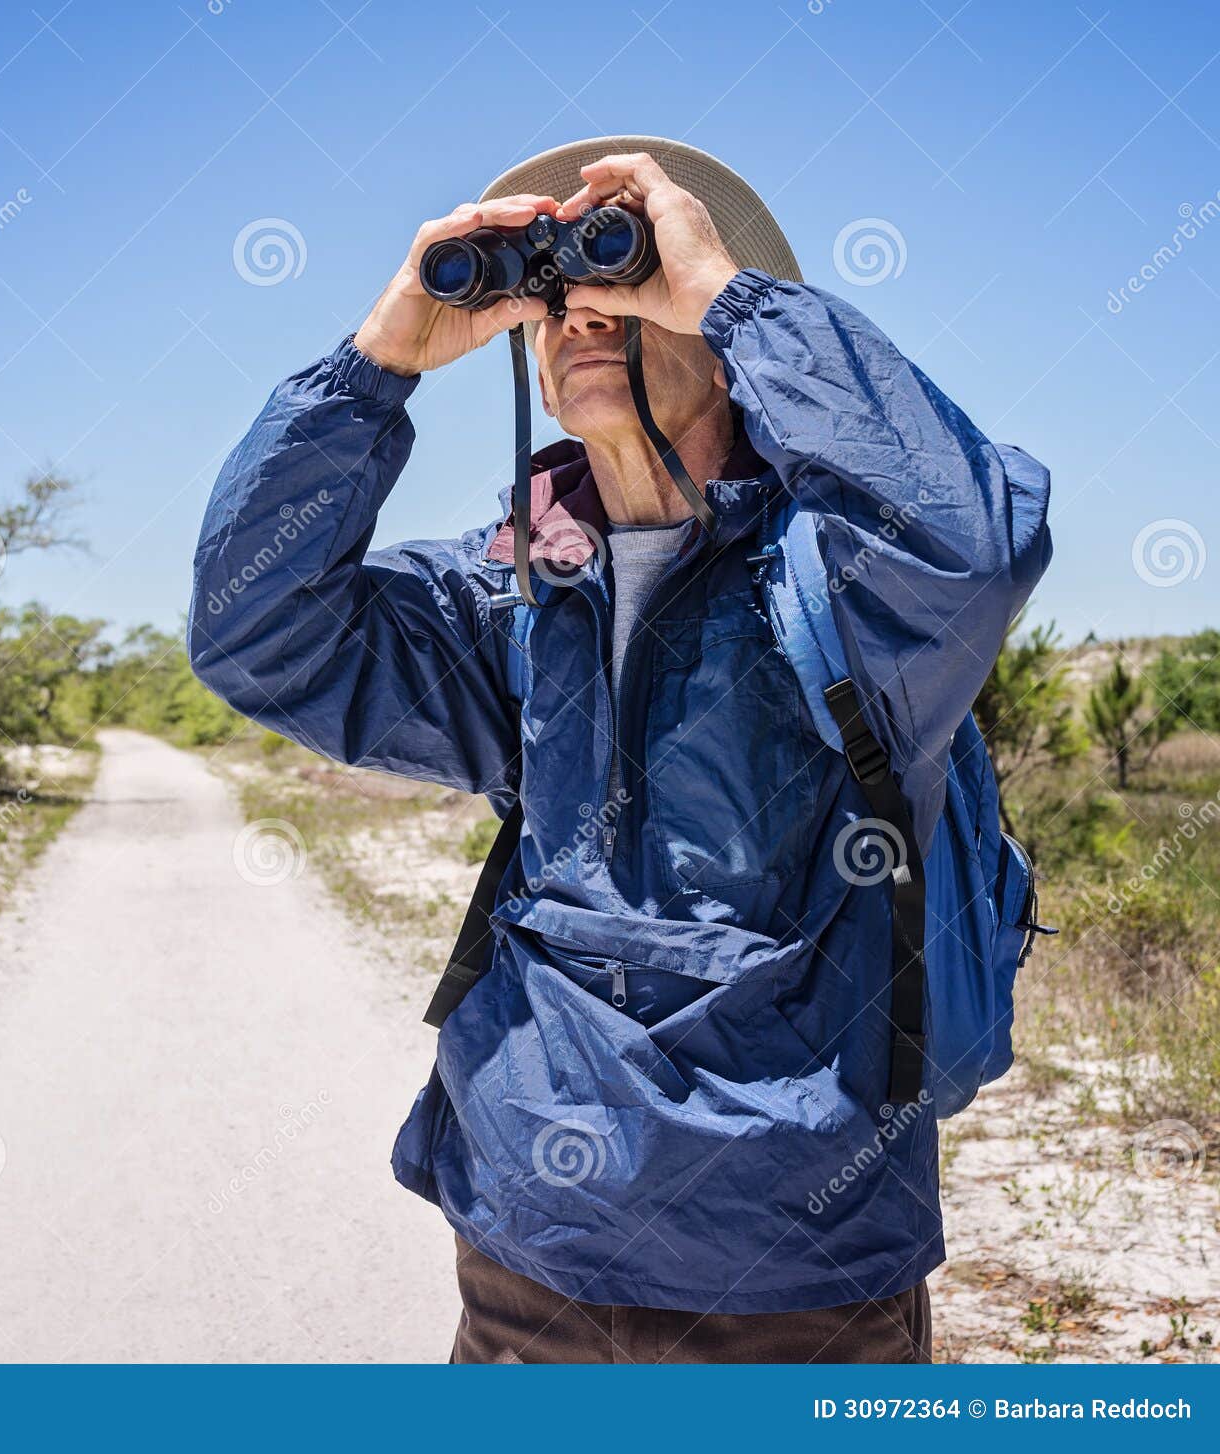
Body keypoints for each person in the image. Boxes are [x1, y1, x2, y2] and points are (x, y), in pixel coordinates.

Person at [189, 136, 1052, 1363]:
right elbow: (255, 631)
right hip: (528, 1247)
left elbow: (969, 547)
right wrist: (373, 365)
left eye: (624, 272)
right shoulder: (510, 595)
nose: (582, 313)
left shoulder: (843, 589)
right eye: (554, 296)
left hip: (789, 1271)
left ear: (726, 321)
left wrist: (732, 293)